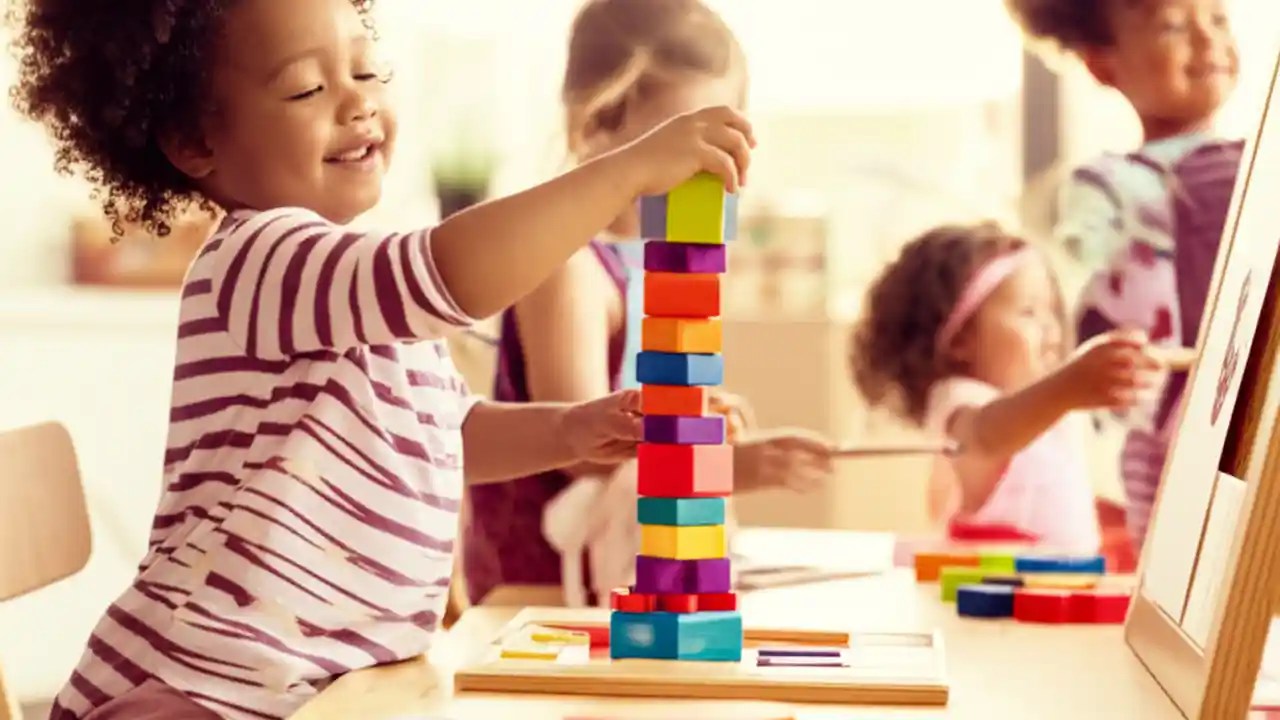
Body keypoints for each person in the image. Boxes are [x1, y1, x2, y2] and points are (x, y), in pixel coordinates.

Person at [9, 0, 755, 717]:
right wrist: (622, 173)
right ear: (195, 141)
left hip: (330, 690)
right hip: (203, 686)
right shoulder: (257, 257)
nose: (357, 105)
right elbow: (449, 274)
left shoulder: (362, 293)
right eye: (307, 86)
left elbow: (442, 433)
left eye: (368, 73)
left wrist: (566, 430)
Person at [461, 0, 833, 608]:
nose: (705, 170)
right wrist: (730, 466)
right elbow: (585, 447)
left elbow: (638, 406)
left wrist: (694, 414)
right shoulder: (567, 267)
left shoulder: (648, 261)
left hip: (620, 583)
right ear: (595, 124)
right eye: (685, 143)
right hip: (539, 597)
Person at [1005, 0, 1241, 549]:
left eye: (1219, 19)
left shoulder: (1262, 164)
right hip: (1167, 416)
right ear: (1104, 66)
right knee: (1173, 554)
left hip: (1248, 394)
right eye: (1175, 26)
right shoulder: (1110, 183)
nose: (1207, 40)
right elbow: (1074, 274)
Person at [850, 222, 1164, 552]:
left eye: (1052, 312)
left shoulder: (1044, 409)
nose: (1051, 330)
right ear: (960, 340)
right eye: (1029, 312)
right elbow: (987, 438)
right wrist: (1069, 388)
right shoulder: (959, 401)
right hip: (996, 597)